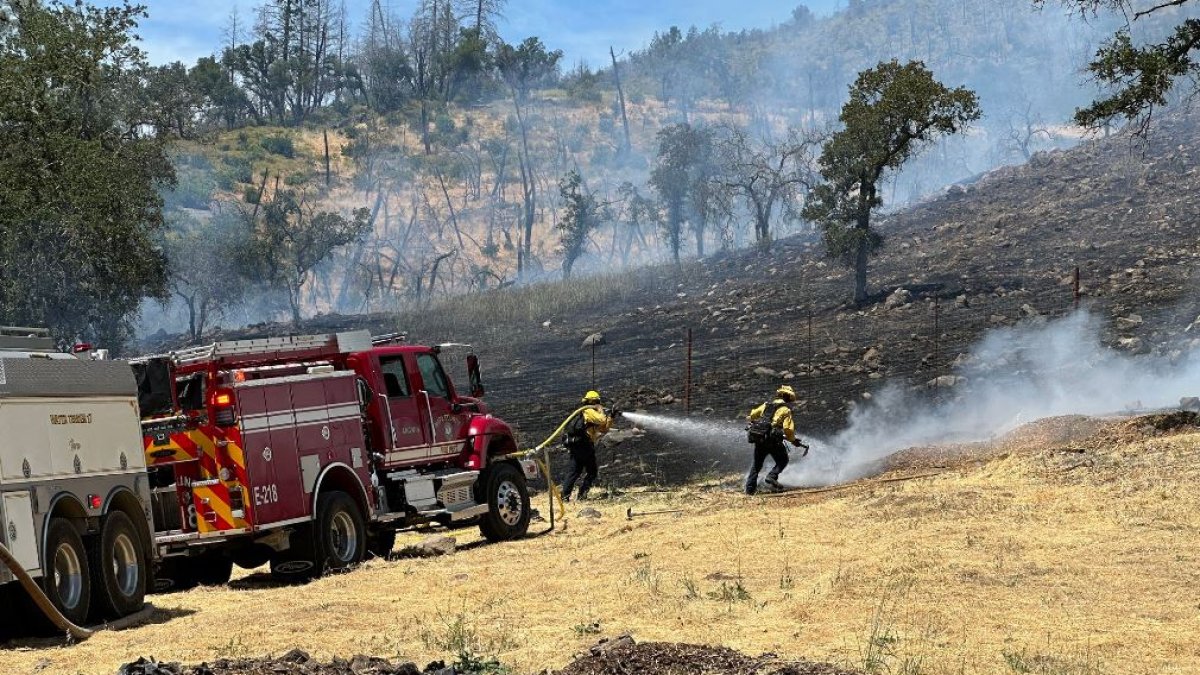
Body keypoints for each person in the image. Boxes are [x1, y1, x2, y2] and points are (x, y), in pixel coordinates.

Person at [745, 385, 808, 495]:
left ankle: (750, 490)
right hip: (773, 440)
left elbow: (752, 415)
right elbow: (788, 429)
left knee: (757, 465)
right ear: (786, 397)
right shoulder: (786, 410)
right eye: (789, 398)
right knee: (783, 460)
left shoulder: (766, 405)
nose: (790, 401)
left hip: (760, 438)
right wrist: (793, 440)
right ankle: (771, 476)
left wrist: (755, 421)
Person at [560, 390, 614, 502]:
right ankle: (581, 495)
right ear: (594, 401)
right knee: (591, 471)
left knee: (574, 471)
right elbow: (601, 419)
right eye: (597, 401)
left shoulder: (588, 413)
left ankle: (566, 497)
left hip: (580, 445)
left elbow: (603, 428)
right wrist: (601, 410)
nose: (599, 403)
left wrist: (612, 416)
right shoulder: (589, 411)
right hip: (584, 445)